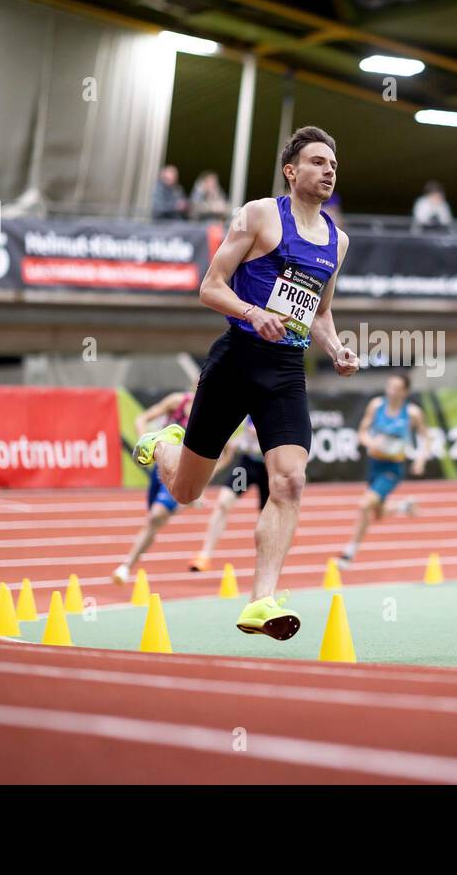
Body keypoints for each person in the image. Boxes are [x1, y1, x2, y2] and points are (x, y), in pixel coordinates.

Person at [132, 126, 359, 641]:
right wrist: (253, 313)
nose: (329, 172)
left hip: (284, 371)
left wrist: (336, 348)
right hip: (236, 361)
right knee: (187, 492)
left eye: (334, 166)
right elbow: (210, 287)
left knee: (291, 481)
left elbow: (320, 312)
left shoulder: (337, 241)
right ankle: (169, 446)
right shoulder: (258, 215)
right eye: (319, 162)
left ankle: (260, 599)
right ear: (291, 170)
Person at [338, 373, 430, 565]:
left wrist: (420, 460)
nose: (391, 392)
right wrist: (371, 442)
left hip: (393, 467)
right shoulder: (376, 406)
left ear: (405, 391)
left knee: (364, 505)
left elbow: (425, 437)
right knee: (377, 513)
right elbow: (362, 431)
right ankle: (404, 506)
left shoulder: (412, 413)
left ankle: (350, 552)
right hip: (374, 464)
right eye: (389, 386)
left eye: (396, 388)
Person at [112, 389, 197, 585]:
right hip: (158, 472)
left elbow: (223, 453)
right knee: (152, 523)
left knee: (155, 517)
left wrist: (201, 478)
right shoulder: (177, 402)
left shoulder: (212, 415)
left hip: (180, 473)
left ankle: (126, 566)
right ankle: (186, 501)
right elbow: (141, 419)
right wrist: (147, 443)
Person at [187, 417, 270, 572]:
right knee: (223, 502)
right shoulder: (252, 404)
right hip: (249, 465)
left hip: (271, 468)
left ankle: (267, 561)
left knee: (267, 515)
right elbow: (248, 433)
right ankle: (205, 555)